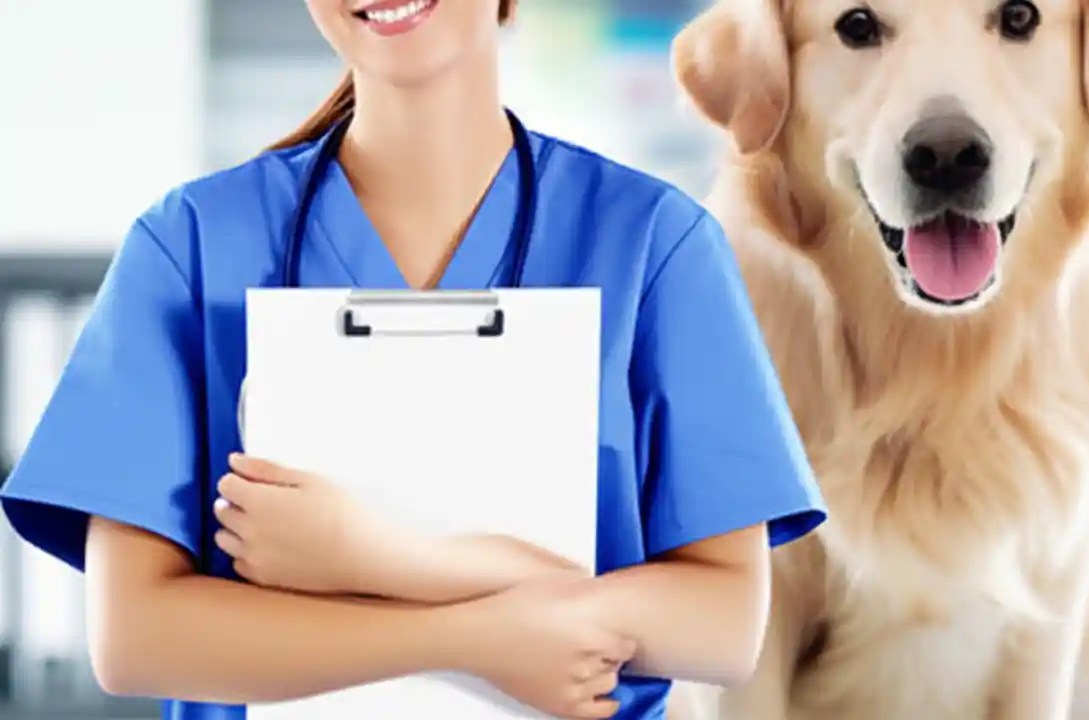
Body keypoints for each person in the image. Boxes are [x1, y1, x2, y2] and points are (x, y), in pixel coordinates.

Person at [0, 1, 827, 718]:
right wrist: (477, 636)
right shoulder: (189, 245)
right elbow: (137, 638)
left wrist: (375, 558)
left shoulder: (655, 244)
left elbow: (722, 626)